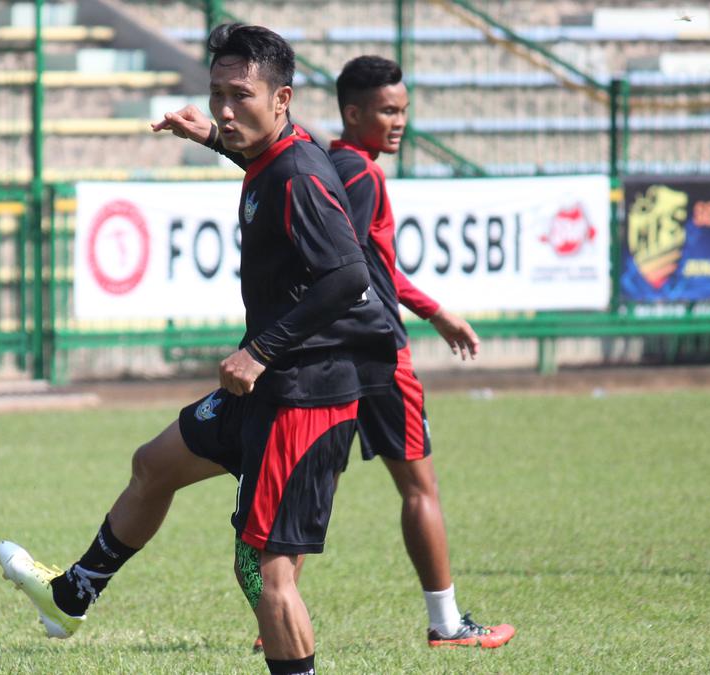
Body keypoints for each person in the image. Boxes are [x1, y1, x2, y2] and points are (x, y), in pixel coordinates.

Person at [0, 24, 396, 675]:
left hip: (303, 397)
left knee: (268, 572)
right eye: (217, 95)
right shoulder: (276, 155)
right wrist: (207, 136)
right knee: (154, 463)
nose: (226, 109)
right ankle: (73, 594)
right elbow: (260, 161)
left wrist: (261, 349)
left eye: (240, 96)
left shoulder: (297, 172)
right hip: (265, 387)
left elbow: (348, 275)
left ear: (283, 98)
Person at [156, 54, 514, 649]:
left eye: (403, 110)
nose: (399, 121)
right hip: (373, 353)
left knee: (303, 487)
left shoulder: (325, 157)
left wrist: (214, 137)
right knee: (418, 487)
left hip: (332, 352)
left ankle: (276, 619)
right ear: (354, 113)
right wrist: (432, 311)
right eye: (388, 111)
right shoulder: (357, 174)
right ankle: (445, 623)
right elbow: (355, 271)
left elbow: (281, 173)